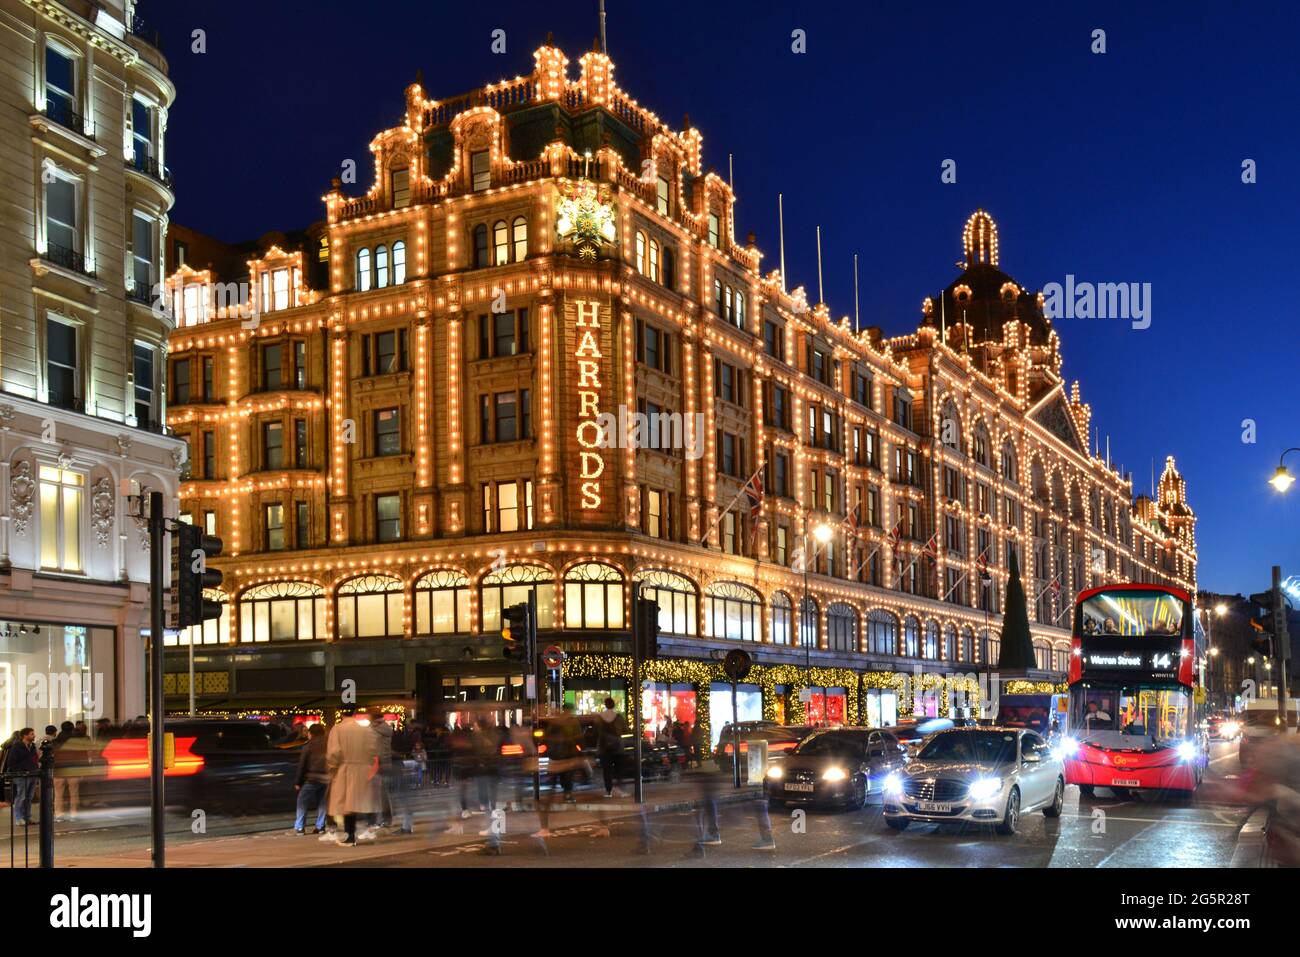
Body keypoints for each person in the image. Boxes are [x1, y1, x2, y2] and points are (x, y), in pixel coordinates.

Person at [325, 710, 381, 846]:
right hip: (363, 770)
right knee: (360, 803)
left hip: (345, 770)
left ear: (341, 714)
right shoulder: (365, 730)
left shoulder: (337, 729)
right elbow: (373, 749)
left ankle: (350, 835)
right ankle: (369, 828)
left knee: (346, 806)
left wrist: (332, 768)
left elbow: (334, 752)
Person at [52, 723, 94, 821]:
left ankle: (59, 814)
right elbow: (83, 756)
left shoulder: (55, 741)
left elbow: (51, 756)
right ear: (72, 729)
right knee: (74, 793)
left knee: (58, 794)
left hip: (59, 770)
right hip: (73, 770)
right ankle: (74, 814)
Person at [294, 722, 330, 835]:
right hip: (326, 778)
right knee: (323, 803)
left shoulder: (308, 746)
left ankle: (300, 827)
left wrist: (298, 782)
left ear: (311, 733)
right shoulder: (329, 745)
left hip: (312, 778)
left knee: (302, 801)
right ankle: (321, 827)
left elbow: (302, 765)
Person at [596, 697, 628, 797]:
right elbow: (626, 730)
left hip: (603, 748)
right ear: (614, 705)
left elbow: (595, 732)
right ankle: (620, 790)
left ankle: (608, 791)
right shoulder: (619, 717)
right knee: (619, 769)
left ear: (605, 705)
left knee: (607, 771)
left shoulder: (599, 717)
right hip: (617, 747)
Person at [5, 729, 39, 825]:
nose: (34, 735)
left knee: (29, 797)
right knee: (21, 796)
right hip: (21, 776)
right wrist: (23, 770)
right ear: (25, 735)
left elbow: (34, 759)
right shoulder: (16, 747)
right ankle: (18, 818)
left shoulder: (32, 746)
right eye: (32, 734)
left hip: (32, 774)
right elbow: (11, 763)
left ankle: (27, 816)